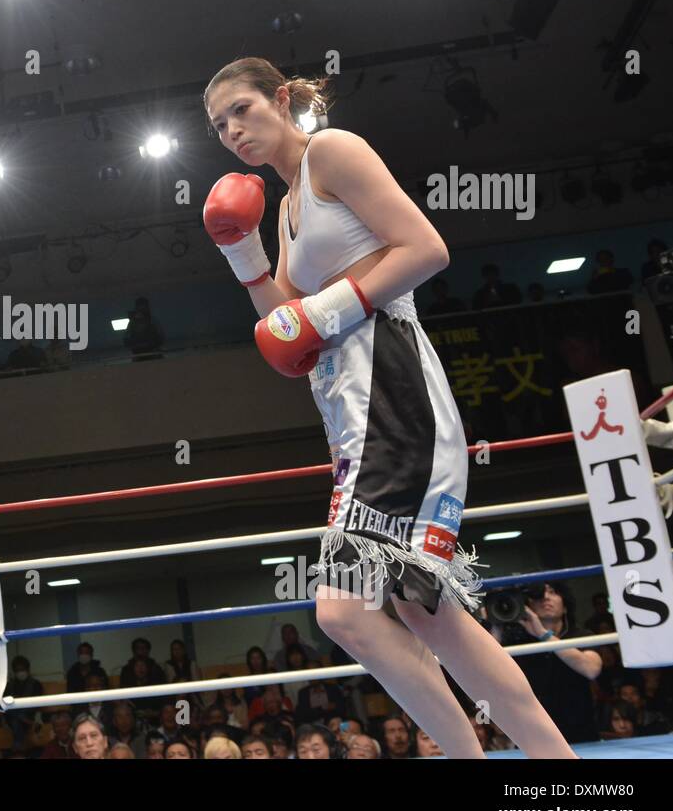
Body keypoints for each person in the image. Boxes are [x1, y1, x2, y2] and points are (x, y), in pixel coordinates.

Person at [202, 57, 575, 758]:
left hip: (394, 394)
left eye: (242, 111)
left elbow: (427, 248)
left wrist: (330, 308)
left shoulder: (333, 152)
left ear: (281, 99)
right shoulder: (284, 211)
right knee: (426, 616)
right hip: (352, 414)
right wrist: (243, 257)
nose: (232, 132)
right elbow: (289, 339)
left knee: (344, 610)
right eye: (219, 126)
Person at [502, 582, 602, 744]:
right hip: (533, 735)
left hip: (581, 732)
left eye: (552, 592)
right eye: (538, 595)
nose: (546, 598)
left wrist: (543, 634)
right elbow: (480, 669)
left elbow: (591, 669)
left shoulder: (581, 634)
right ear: (527, 606)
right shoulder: (517, 641)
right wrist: (495, 626)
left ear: (565, 606)